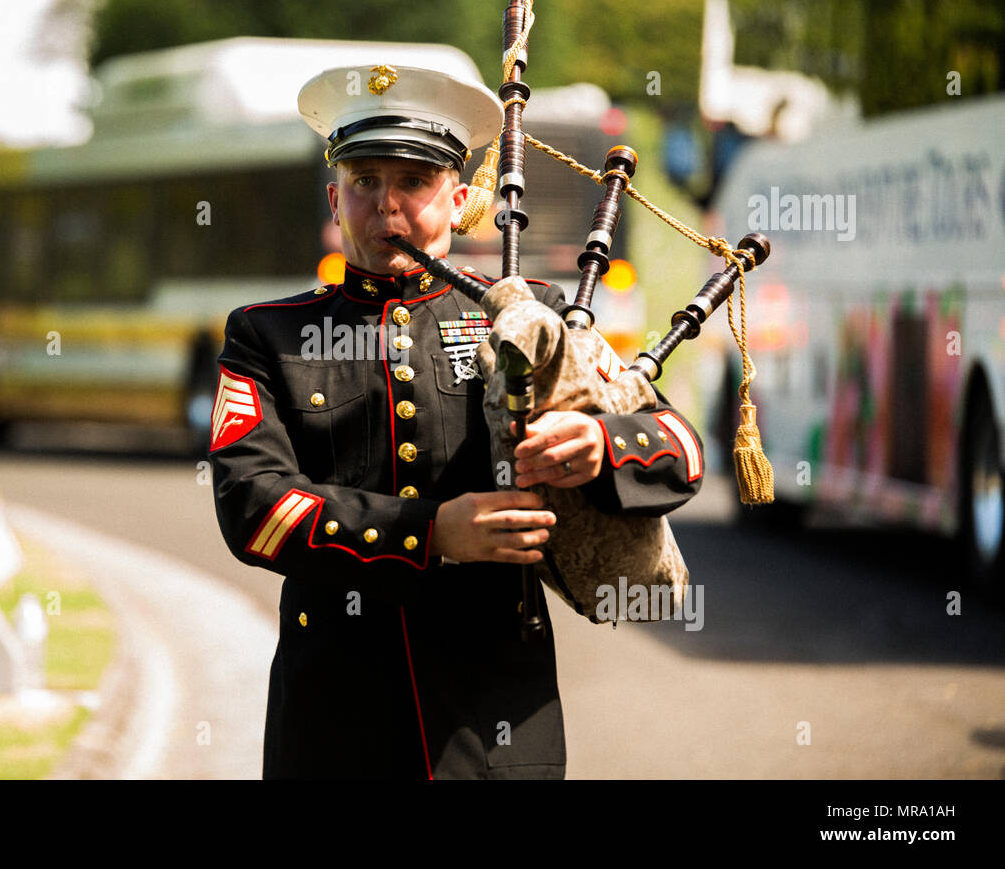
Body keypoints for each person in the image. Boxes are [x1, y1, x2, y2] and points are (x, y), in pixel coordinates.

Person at [210, 64, 704, 779]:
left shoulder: (526, 314)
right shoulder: (268, 334)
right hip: (335, 719)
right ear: (334, 198)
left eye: (413, 182)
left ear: (461, 200)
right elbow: (255, 509)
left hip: (499, 717)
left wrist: (599, 443)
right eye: (365, 182)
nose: (387, 207)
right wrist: (432, 534)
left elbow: (680, 449)